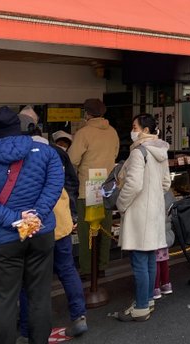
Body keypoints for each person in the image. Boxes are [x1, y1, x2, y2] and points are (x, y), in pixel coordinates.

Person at [0, 107, 64, 344]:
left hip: (4, 238)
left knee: (5, 300)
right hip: (40, 233)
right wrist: (35, 215)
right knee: (40, 296)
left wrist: (13, 219)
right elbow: (55, 186)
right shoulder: (47, 153)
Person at [18, 120, 86, 340]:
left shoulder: (19, 154)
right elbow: (72, 183)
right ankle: (79, 316)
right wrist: (72, 213)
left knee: (31, 277)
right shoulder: (57, 152)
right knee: (67, 269)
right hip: (61, 220)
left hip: (33, 224)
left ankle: (29, 327)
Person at [111, 114, 171, 322]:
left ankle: (142, 306)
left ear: (145, 130)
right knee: (149, 259)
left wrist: (121, 204)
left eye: (135, 126)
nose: (132, 129)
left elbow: (133, 184)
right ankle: (148, 300)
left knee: (139, 260)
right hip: (154, 212)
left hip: (138, 212)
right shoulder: (160, 151)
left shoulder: (138, 153)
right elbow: (166, 184)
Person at [68, 98, 120, 277]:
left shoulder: (84, 133)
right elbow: (115, 154)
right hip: (106, 187)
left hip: (88, 188)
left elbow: (72, 159)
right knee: (104, 227)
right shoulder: (112, 132)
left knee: (87, 231)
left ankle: (87, 269)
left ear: (87, 113)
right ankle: (102, 266)